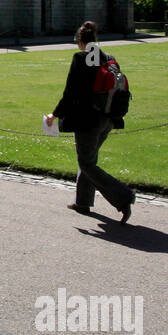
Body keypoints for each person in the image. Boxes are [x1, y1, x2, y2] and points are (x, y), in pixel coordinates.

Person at [45, 21, 135, 223]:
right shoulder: (108, 58)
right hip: (109, 118)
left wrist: (54, 114)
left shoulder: (80, 58)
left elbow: (71, 93)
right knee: (88, 161)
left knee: (86, 163)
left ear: (79, 41)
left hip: (88, 121)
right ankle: (83, 202)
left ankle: (123, 197)